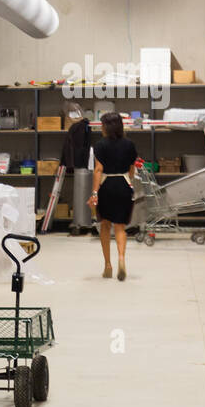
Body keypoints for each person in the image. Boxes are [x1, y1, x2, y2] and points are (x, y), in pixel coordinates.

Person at [88, 111, 138, 280]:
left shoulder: (100, 145)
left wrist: (94, 193)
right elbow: (131, 171)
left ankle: (108, 265)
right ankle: (122, 258)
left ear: (106, 127)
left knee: (105, 226)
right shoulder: (129, 144)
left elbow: (98, 170)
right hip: (124, 185)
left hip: (106, 187)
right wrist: (126, 181)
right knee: (120, 227)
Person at [59, 101, 94, 234]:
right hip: (81, 165)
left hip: (82, 165)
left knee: (85, 194)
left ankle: (83, 221)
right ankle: (80, 221)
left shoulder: (78, 127)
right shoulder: (80, 127)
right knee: (81, 194)